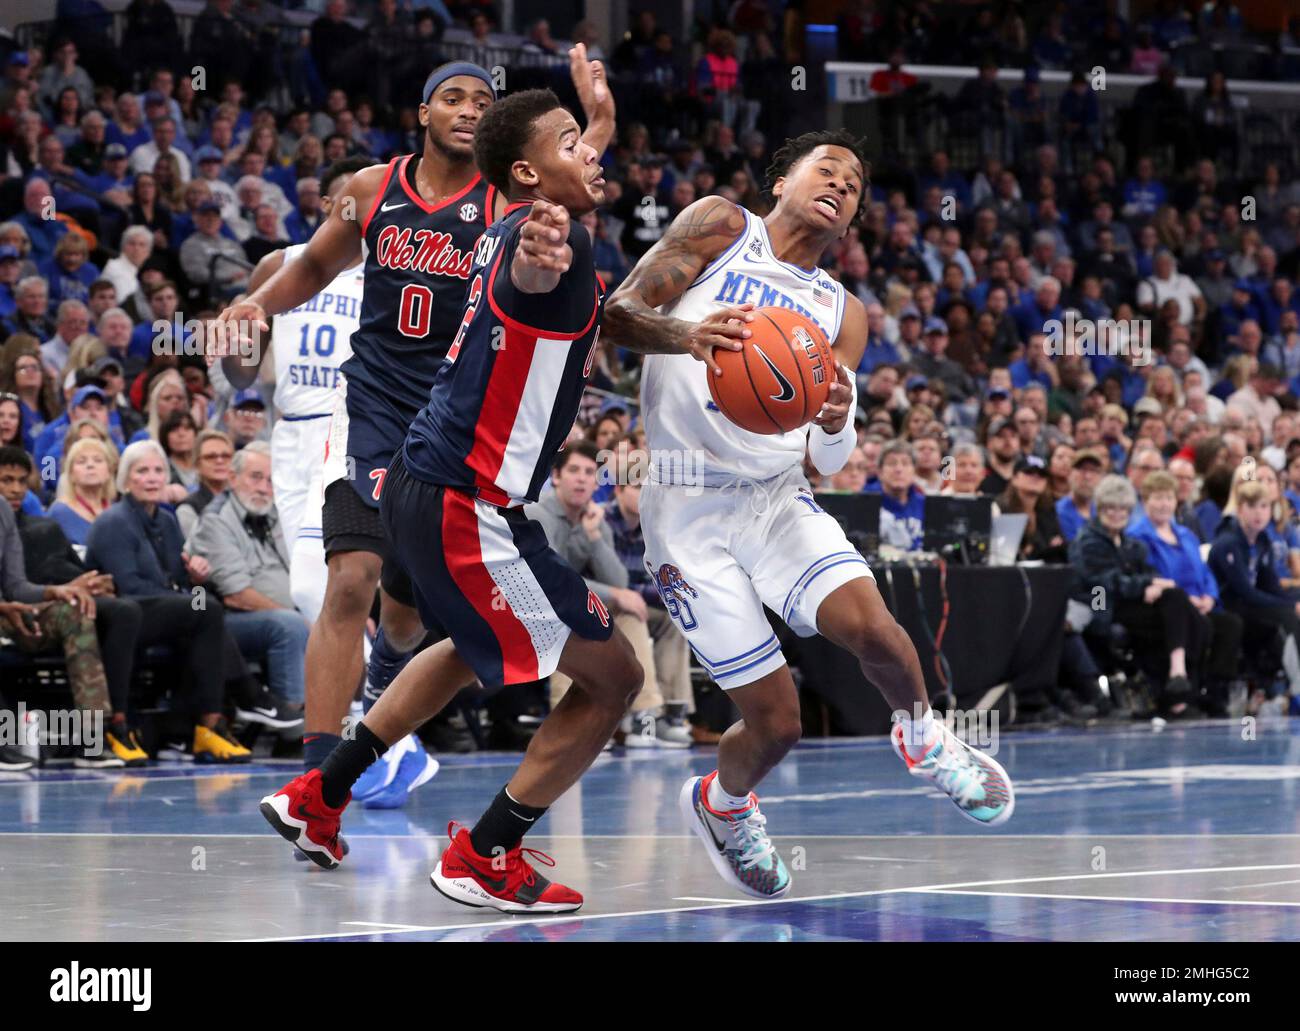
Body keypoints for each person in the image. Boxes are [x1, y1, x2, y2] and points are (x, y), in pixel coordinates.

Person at [260, 87, 648, 916]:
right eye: (574, 144)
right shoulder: (543, 236)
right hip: (470, 503)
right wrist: (548, 244)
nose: (593, 156)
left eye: (589, 142)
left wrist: (595, 121)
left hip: (424, 483)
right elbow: (537, 260)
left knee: (472, 647)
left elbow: (555, 184)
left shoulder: (515, 212)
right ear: (527, 176)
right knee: (615, 675)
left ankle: (318, 796)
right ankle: (487, 851)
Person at [605, 128, 1013, 901]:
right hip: (687, 510)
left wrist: (833, 418)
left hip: (776, 501)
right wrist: (686, 335)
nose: (839, 183)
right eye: (826, 168)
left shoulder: (842, 312)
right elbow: (616, 315)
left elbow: (826, 462)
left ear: (853, 218)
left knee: (878, 633)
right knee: (778, 723)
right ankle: (722, 805)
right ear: (784, 178)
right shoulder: (721, 228)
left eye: (854, 184)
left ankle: (924, 738)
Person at [219, 158, 369, 628]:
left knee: (311, 581)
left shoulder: (388, 276)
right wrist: (231, 346)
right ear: (326, 204)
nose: (363, 210)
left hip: (347, 433)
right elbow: (243, 376)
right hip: (289, 436)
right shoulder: (278, 265)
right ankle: (368, 686)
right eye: (352, 198)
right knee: (314, 588)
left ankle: (369, 697)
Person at [85, 440, 290, 762]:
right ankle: (245, 698)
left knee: (206, 606)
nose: (152, 478)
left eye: (158, 471)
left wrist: (195, 580)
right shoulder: (112, 522)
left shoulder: (166, 521)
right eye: (142, 472)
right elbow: (127, 586)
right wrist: (184, 597)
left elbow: (177, 580)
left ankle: (204, 727)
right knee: (204, 610)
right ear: (125, 480)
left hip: (163, 612)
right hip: (123, 616)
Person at [1071, 475, 1206, 713]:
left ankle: (1179, 685)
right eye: (1110, 508)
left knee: (1185, 609)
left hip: (1130, 604)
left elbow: (1150, 574)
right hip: (1102, 604)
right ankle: (1181, 690)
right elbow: (1101, 582)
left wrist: (1153, 584)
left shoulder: (1130, 543)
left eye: (1122, 508)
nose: (1116, 513)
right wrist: (1146, 585)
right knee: (1176, 604)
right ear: (1100, 508)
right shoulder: (1088, 540)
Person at [189, 442, 309, 709]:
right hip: (233, 621)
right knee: (290, 626)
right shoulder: (215, 520)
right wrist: (305, 620)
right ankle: (291, 722)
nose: (264, 488)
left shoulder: (275, 512)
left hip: (288, 611)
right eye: (256, 477)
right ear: (232, 478)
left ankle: (360, 721)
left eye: (270, 480)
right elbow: (237, 595)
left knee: (348, 619)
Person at [1129, 471, 1242, 716]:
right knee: (1194, 622)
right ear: (1145, 501)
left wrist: (1210, 597)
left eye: (1168, 498)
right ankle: (1182, 695)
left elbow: (1205, 572)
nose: (1164, 504)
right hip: (1169, 606)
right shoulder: (1138, 537)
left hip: (1198, 602)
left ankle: (1213, 693)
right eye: (1157, 498)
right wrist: (1189, 600)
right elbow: (1154, 577)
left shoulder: (1186, 535)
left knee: (1230, 625)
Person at [1209, 479, 1300, 711]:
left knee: (1289, 609)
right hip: (1226, 606)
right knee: (1286, 616)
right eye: (1251, 507)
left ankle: (1276, 685)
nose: (1258, 513)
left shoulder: (1262, 541)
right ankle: (1297, 686)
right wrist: (1289, 607)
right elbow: (1245, 592)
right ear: (1240, 509)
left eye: (1264, 506)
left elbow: (1272, 586)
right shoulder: (1227, 542)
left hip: (1250, 606)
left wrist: (1293, 602)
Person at [46, 436, 117, 546]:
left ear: (109, 472)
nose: (90, 465)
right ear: (71, 474)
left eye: (98, 460)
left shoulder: (117, 512)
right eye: (81, 461)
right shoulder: (58, 513)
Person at [177, 428, 234, 540]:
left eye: (226, 456)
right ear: (197, 464)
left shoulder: (242, 502)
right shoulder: (188, 509)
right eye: (211, 457)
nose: (219, 461)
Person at [1056, 447, 1103, 543]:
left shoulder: (1102, 511)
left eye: (1094, 471)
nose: (1087, 476)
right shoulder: (1059, 512)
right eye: (1082, 469)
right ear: (1069, 473)